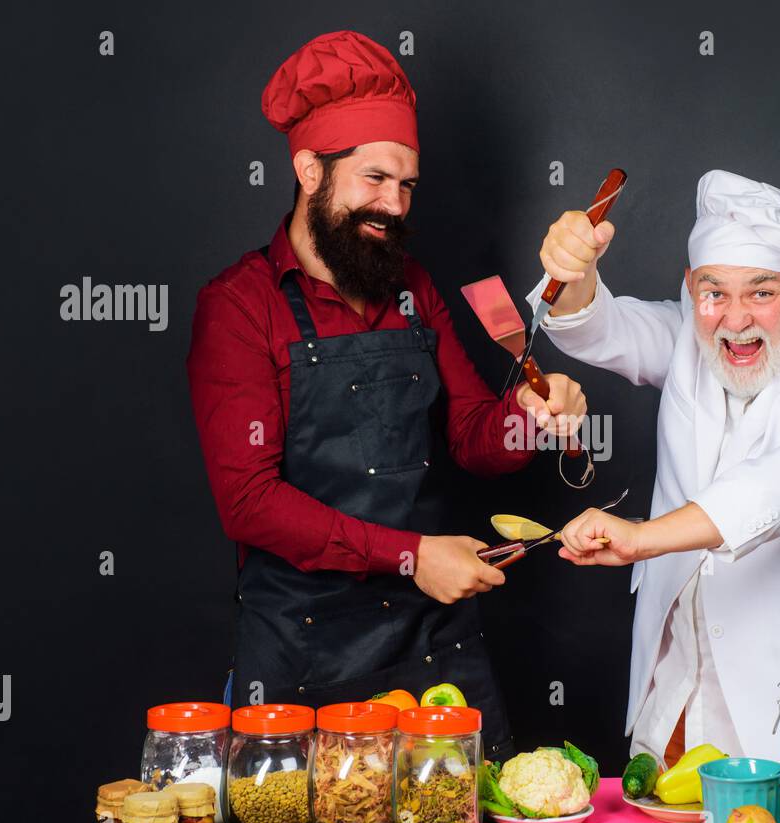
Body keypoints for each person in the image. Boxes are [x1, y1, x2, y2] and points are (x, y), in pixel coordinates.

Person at [186, 31, 586, 758]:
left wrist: (528, 420)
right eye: (374, 179)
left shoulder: (414, 287)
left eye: (406, 185)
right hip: (303, 653)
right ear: (309, 168)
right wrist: (411, 556)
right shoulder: (240, 306)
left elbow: (470, 434)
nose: (394, 205)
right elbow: (247, 500)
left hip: (433, 640)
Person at [531, 169, 780, 764]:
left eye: (762, 293)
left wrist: (644, 538)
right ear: (692, 289)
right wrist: (574, 274)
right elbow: (603, 329)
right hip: (681, 691)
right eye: (714, 292)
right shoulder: (692, 335)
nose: (734, 319)